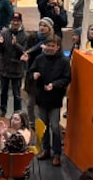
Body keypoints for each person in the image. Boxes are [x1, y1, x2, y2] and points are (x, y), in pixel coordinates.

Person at [30, 34, 71, 167]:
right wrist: (34, 75)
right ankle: (46, 149)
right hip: (41, 97)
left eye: (53, 46)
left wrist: (54, 85)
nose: (50, 48)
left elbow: (67, 78)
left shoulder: (64, 61)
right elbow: (31, 71)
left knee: (54, 127)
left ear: (58, 47)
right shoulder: (40, 58)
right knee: (44, 126)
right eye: (48, 45)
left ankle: (57, 153)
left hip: (55, 99)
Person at [0, 111, 32, 180]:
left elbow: (4, 153)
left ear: (22, 122)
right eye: (12, 118)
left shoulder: (17, 137)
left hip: (11, 167)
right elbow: (13, 144)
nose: (12, 121)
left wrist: (0, 137)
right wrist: (5, 133)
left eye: (16, 119)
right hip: (23, 167)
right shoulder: (26, 131)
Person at [0, 24, 26, 117]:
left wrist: (16, 45)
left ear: (20, 22)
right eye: (14, 21)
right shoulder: (3, 33)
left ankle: (18, 113)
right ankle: (2, 110)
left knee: (17, 94)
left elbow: (25, 51)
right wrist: (0, 43)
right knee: (3, 92)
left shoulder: (25, 36)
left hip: (17, 70)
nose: (15, 23)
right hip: (4, 68)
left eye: (17, 21)